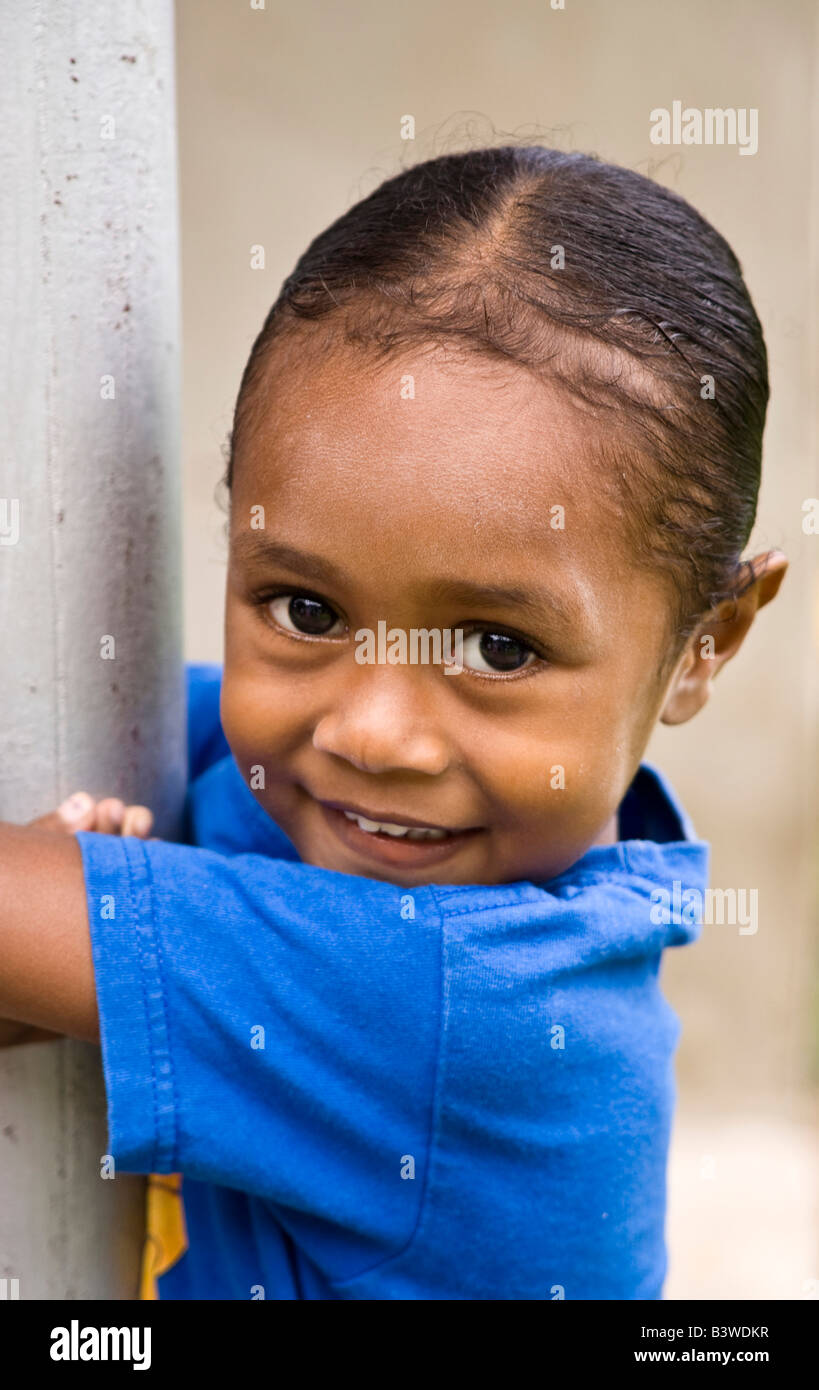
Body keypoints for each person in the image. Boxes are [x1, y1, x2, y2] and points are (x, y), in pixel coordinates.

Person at [0, 145, 786, 1299]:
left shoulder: (461, 999)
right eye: (307, 609)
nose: (373, 732)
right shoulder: (271, 768)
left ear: (705, 641)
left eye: (498, 648)